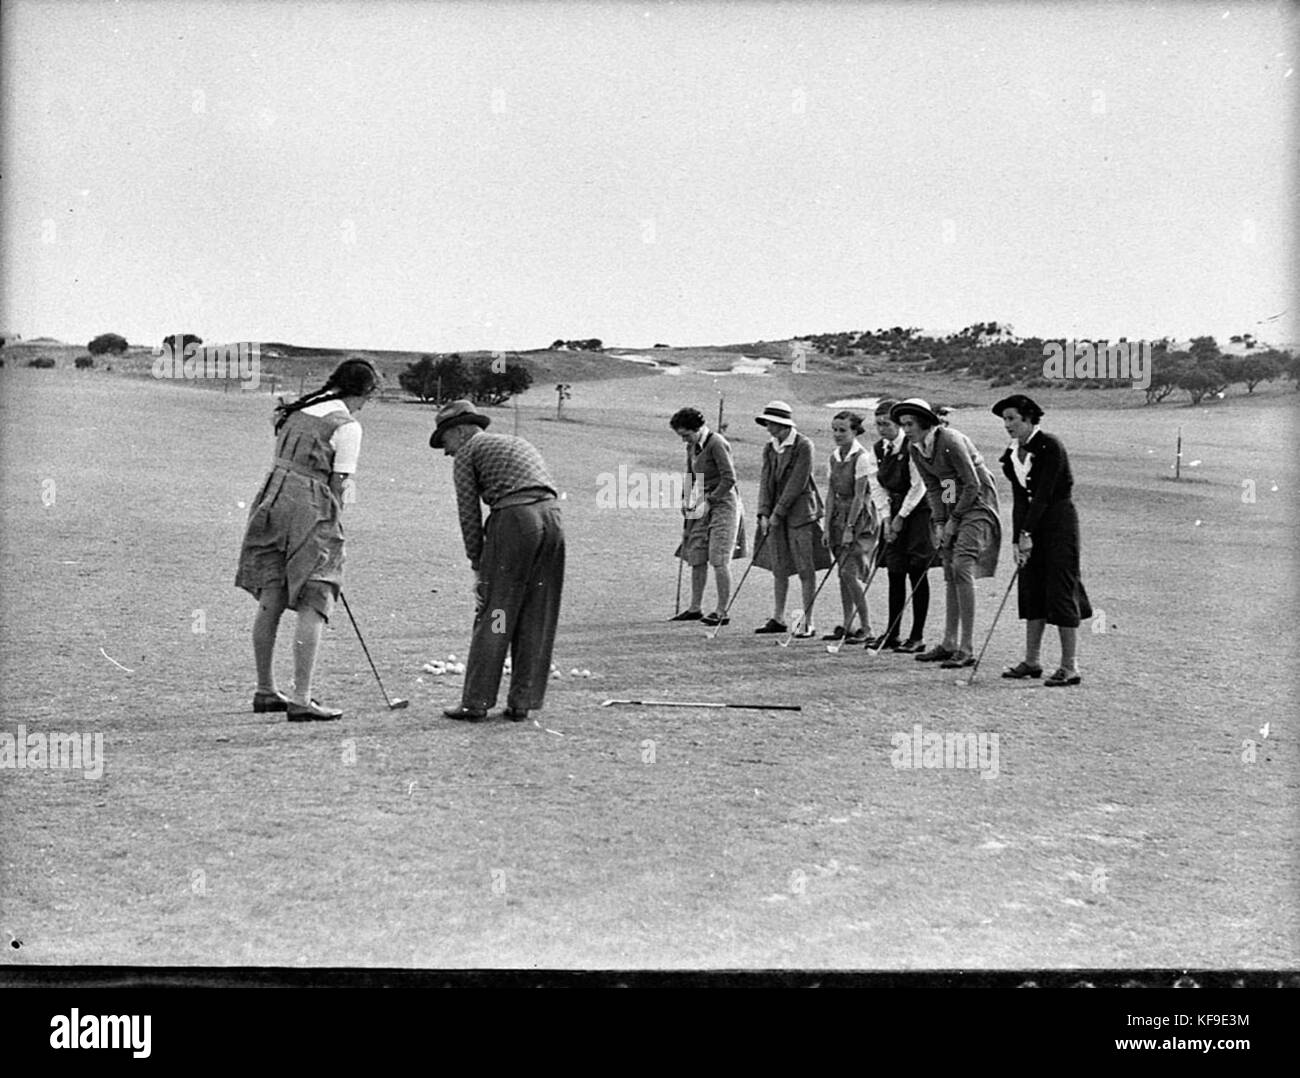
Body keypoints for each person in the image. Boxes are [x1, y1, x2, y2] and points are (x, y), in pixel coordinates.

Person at [236, 357, 380, 721]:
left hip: (271, 498)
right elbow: (338, 485)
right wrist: (333, 526)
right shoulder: (347, 426)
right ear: (362, 392)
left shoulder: (296, 409)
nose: (365, 405)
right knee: (315, 596)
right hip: (311, 507)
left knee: (272, 593)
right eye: (368, 397)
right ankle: (301, 697)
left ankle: (265, 691)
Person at [431, 399, 565, 722]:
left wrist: (477, 564)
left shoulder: (467, 452)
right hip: (553, 521)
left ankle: (475, 703)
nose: (446, 451)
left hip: (515, 521)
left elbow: (469, 513)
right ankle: (523, 702)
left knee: (498, 610)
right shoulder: (517, 442)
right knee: (537, 610)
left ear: (460, 431)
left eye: (445, 441)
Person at [891, 398, 1001, 670]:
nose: (906, 430)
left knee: (962, 567)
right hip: (955, 500)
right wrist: (940, 522)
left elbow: (973, 484)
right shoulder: (916, 448)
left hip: (978, 503)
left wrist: (954, 519)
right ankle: (949, 643)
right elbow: (937, 485)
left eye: (910, 424)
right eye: (902, 425)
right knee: (949, 570)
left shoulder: (949, 441)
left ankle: (966, 647)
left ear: (925, 423)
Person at [993, 394, 1092, 687]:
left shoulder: (1050, 446)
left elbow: (1046, 494)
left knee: (1061, 589)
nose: (1007, 425)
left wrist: (1027, 534)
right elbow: (1020, 501)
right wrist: (1016, 540)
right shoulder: (1011, 455)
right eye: (1004, 420)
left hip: (1059, 523)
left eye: (1012, 418)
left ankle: (1069, 666)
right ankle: (1032, 661)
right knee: (1031, 589)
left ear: (1028, 418)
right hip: (1032, 527)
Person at [752, 401, 831, 636]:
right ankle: (778, 617)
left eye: (771, 423)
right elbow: (765, 481)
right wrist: (763, 513)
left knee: (805, 569)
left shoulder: (803, 445)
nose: (767, 427)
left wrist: (777, 513)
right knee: (779, 567)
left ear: (782, 424)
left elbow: (797, 483)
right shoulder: (769, 447)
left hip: (800, 515)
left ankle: (808, 622)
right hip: (775, 515)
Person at [668, 406, 746, 626]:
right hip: (702, 503)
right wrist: (686, 500)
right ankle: (695, 608)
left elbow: (729, 478)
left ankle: (722, 611)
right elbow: (691, 476)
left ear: (698, 428)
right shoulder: (692, 446)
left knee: (718, 558)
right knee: (697, 555)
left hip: (724, 505)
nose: (684, 440)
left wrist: (710, 500)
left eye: (686, 435)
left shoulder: (717, 443)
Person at [868, 399, 934, 652]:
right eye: (878, 424)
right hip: (893, 510)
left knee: (917, 571)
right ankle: (892, 632)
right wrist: (886, 517)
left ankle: (917, 636)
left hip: (917, 513)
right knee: (895, 572)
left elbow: (919, 485)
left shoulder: (912, 447)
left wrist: (901, 517)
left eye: (886, 424)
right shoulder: (879, 448)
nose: (881, 429)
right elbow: (877, 485)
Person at [821, 410, 886, 643]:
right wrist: (827, 526)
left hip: (859, 520)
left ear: (855, 431)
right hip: (838, 516)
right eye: (835, 430)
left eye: (843, 430)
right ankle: (848, 624)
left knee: (850, 573)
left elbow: (860, 497)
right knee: (842, 574)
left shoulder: (862, 457)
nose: (837, 434)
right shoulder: (834, 456)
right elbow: (830, 494)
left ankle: (867, 627)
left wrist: (849, 528)